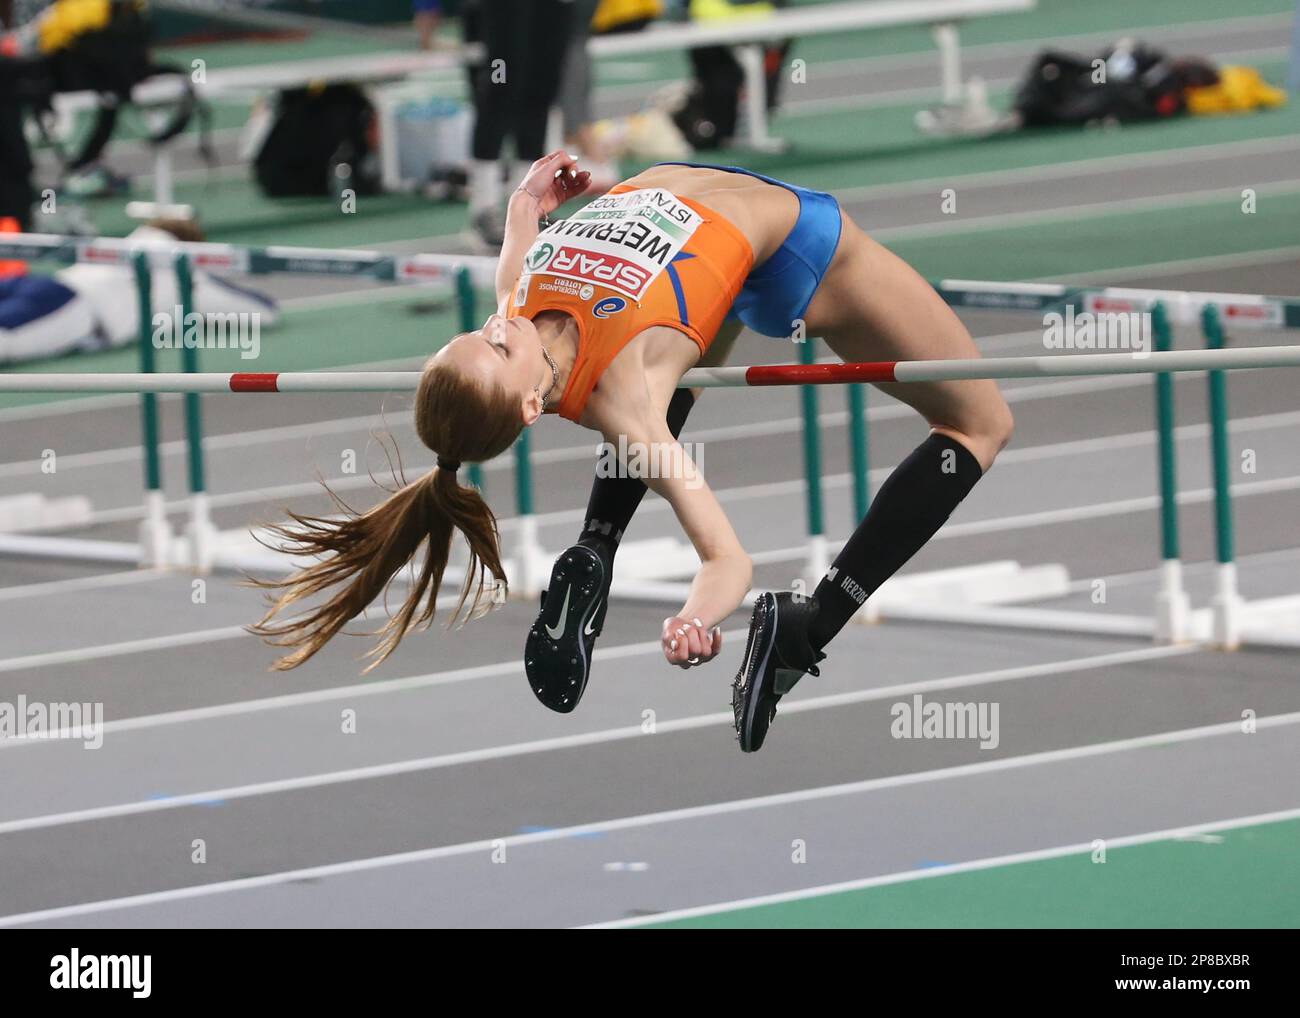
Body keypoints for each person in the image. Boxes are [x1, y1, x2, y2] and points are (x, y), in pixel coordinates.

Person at [250, 153, 1013, 754]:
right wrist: (694, 619)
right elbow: (727, 562)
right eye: (492, 348)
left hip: (718, 239)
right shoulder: (626, 405)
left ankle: (596, 545)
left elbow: (519, 233)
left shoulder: (516, 301)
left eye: (478, 332)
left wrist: (531, 195)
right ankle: (808, 626)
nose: (495, 327)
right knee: (978, 425)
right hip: (799, 245)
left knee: (687, 341)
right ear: (526, 406)